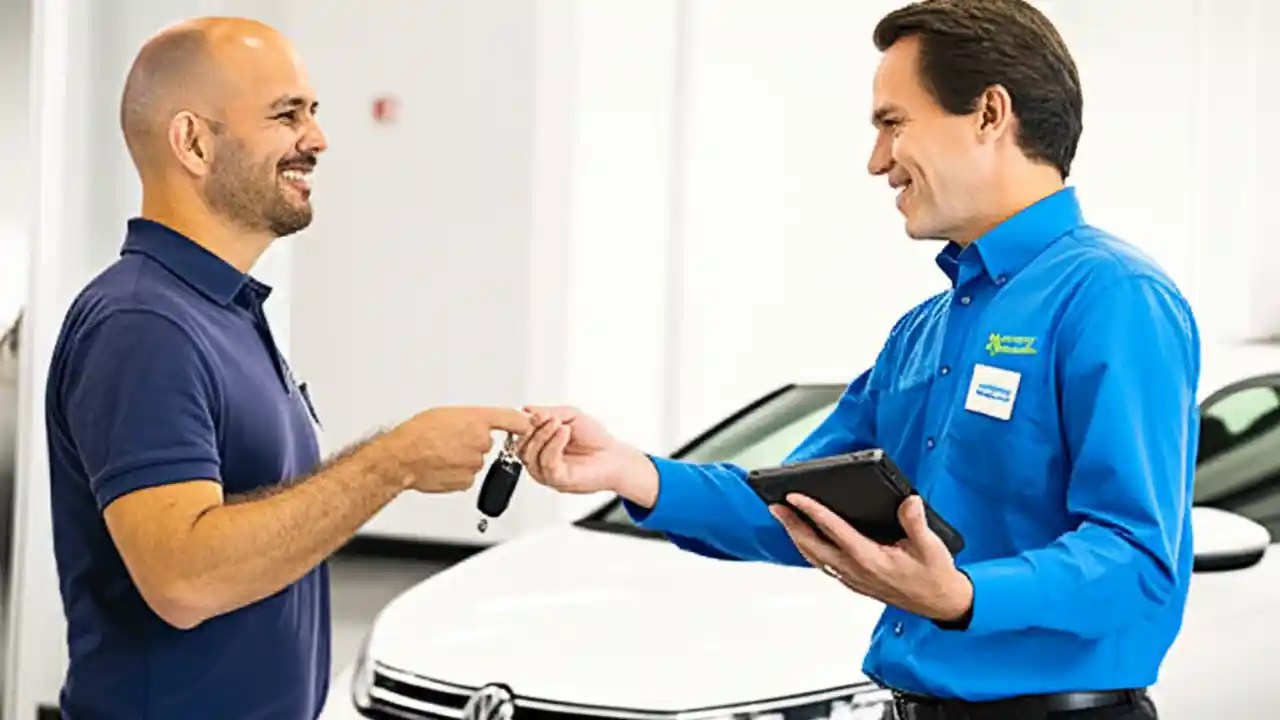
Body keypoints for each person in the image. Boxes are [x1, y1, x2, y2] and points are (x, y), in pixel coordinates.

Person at [517, 2, 1196, 719]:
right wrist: (628, 469)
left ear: (990, 113)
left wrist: (963, 596)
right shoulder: (922, 334)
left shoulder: (1115, 298)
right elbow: (790, 505)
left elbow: (1138, 560)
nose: (877, 162)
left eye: (892, 123)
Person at [44, 18, 530, 719]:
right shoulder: (143, 324)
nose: (318, 139)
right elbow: (183, 579)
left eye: (314, 112)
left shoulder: (222, 309)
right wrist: (394, 462)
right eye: (286, 114)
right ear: (193, 141)